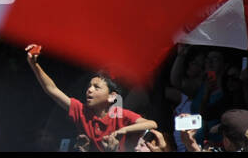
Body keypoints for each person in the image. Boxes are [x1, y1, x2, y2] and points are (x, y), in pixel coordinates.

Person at [25, 44, 156, 151]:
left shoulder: (120, 115)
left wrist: (123, 130)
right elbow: (52, 89)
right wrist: (34, 64)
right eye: (89, 86)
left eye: (96, 87)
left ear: (112, 97)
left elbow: (151, 124)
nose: (90, 90)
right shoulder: (81, 111)